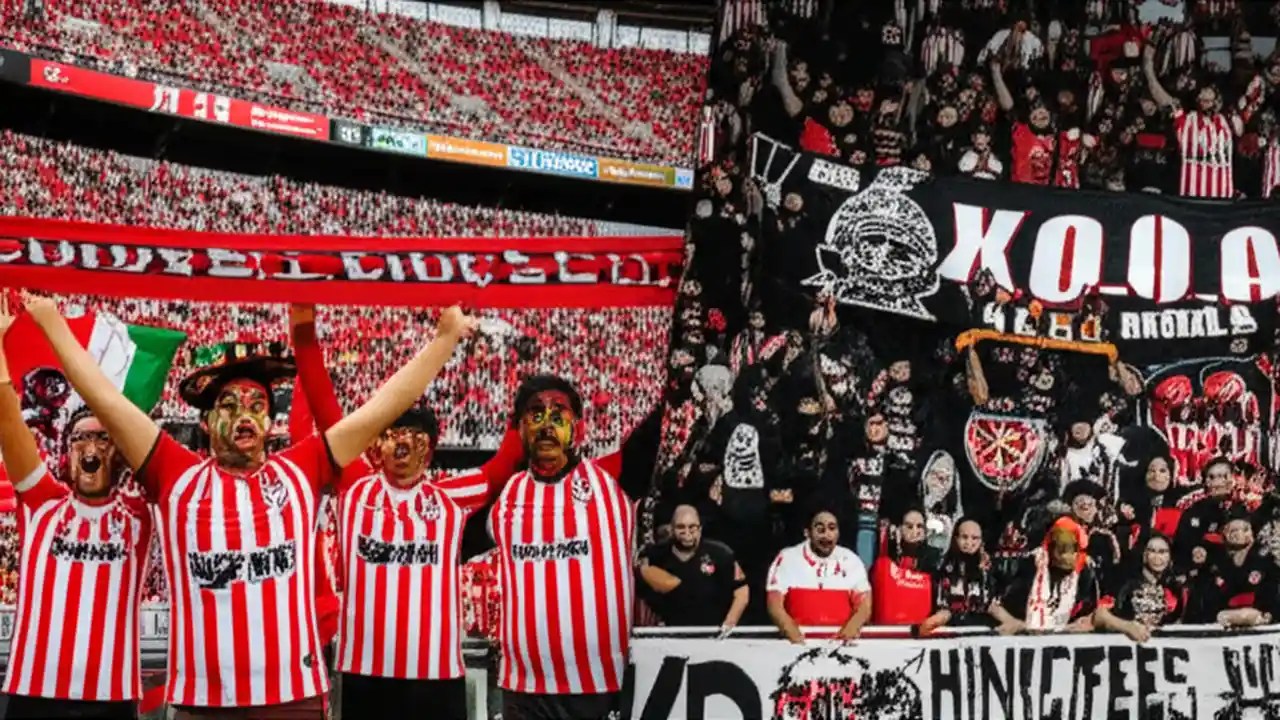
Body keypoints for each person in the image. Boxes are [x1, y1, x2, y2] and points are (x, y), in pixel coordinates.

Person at [22, 292, 477, 719]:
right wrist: (51, 324)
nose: (244, 414)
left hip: (293, 701)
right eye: (229, 404)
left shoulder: (302, 468)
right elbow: (103, 396)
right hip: (201, 705)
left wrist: (443, 340)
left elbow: (381, 408)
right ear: (206, 419)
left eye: (257, 404)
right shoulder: (174, 473)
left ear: (269, 419)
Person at [286, 304, 524, 719]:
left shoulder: (451, 496)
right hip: (365, 675)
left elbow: (504, 463)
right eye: (390, 434)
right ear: (374, 442)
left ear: (430, 449)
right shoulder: (355, 485)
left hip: (437, 680)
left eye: (413, 437)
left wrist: (524, 388)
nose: (399, 446)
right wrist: (302, 323)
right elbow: (326, 408)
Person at [0, 299, 150, 720]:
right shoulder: (41, 502)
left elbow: (147, 445)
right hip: (34, 696)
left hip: (111, 699)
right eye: (79, 440)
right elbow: (8, 418)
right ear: (65, 456)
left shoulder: (139, 514)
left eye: (104, 440)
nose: (91, 448)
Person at [488, 374, 642, 720]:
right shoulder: (505, 495)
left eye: (558, 416)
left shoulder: (611, 479)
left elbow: (659, 434)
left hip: (598, 688)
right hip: (523, 689)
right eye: (535, 416)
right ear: (520, 430)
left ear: (580, 427)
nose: (546, 426)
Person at [765, 507, 871, 644]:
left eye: (832, 528)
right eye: (820, 530)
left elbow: (865, 606)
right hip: (796, 643)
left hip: (840, 644)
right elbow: (774, 604)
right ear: (807, 532)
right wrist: (791, 632)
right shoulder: (787, 558)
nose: (826, 535)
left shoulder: (851, 560)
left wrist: (850, 631)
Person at [638, 505, 749, 631]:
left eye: (692, 527)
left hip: (713, 632)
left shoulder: (721, 554)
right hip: (668, 633)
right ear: (671, 529)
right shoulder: (655, 555)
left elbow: (742, 591)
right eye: (681, 527)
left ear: (700, 529)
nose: (687, 532)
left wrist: (729, 624)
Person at [990, 517, 1100, 634]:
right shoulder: (1028, 566)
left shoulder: (1085, 572)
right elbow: (992, 603)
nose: (1068, 557)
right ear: (1052, 549)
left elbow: (1092, 611)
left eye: (1073, 550)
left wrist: (1087, 621)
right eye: (1062, 550)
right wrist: (1013, 622)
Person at [1184, 506, 1278, 628]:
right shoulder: (1214, 559)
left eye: (1244, 529)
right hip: (1219, 625)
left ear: (1252, 532)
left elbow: (1273, 592)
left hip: (1261, 623)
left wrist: (1268, 615)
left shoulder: (1266, 558)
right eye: (1233, 530)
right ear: (1224, 533)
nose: (1238, 534)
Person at [1094, 534, 1184, 643]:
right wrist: (1128, 627)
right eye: (1152, 551)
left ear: (1169, 556)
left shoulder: (1175, 588)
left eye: (1162, 552)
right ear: (1144, 554)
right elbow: (1099, 615)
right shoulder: (1126, 582)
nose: (1157, 557)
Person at [920, 518, 998, 632]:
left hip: (982, 628)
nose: (969, 543)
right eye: (964, 537)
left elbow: (991, 604)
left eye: (975, 538)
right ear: (956, 539)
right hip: (950, 628)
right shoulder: (944, 567)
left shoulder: (987, 569)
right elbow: (942, 606)